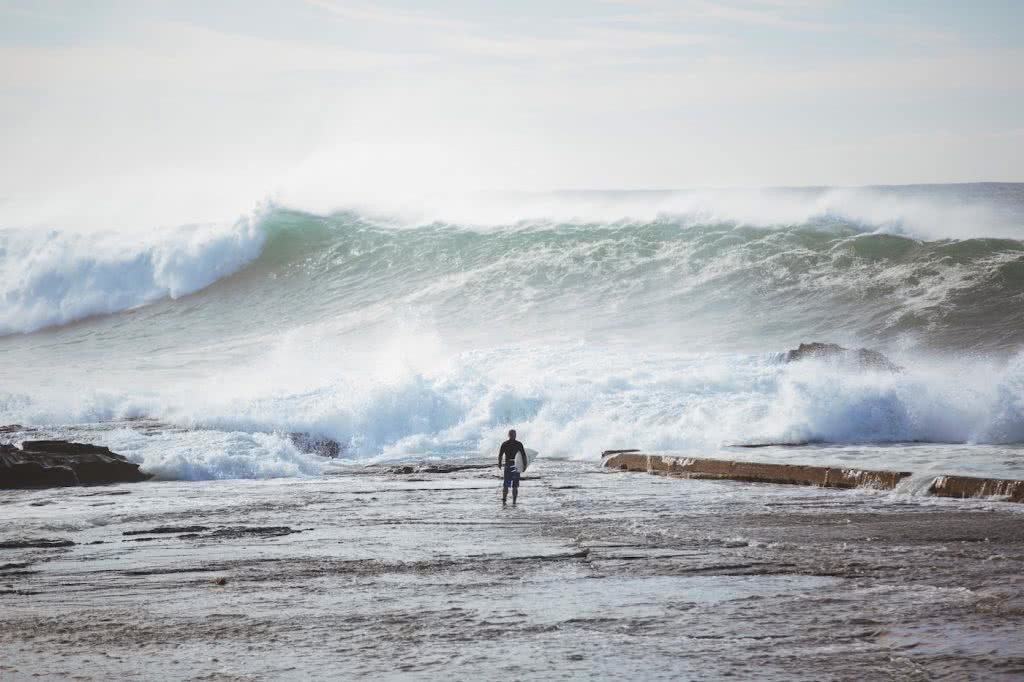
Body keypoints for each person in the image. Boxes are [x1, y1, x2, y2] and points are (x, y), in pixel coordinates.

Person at [497, 428, 527, 506]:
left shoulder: (505, 443)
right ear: (514, 435)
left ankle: (504, 500)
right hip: (515, 466)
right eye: (514, 434)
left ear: (508, 435)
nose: (514, 436)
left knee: (506, 484)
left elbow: (500, 455)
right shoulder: (519, 444)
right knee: (515, 485)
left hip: (508, 465)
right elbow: (523, 456)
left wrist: (499, 463)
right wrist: (525, 465)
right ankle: (514, 501)